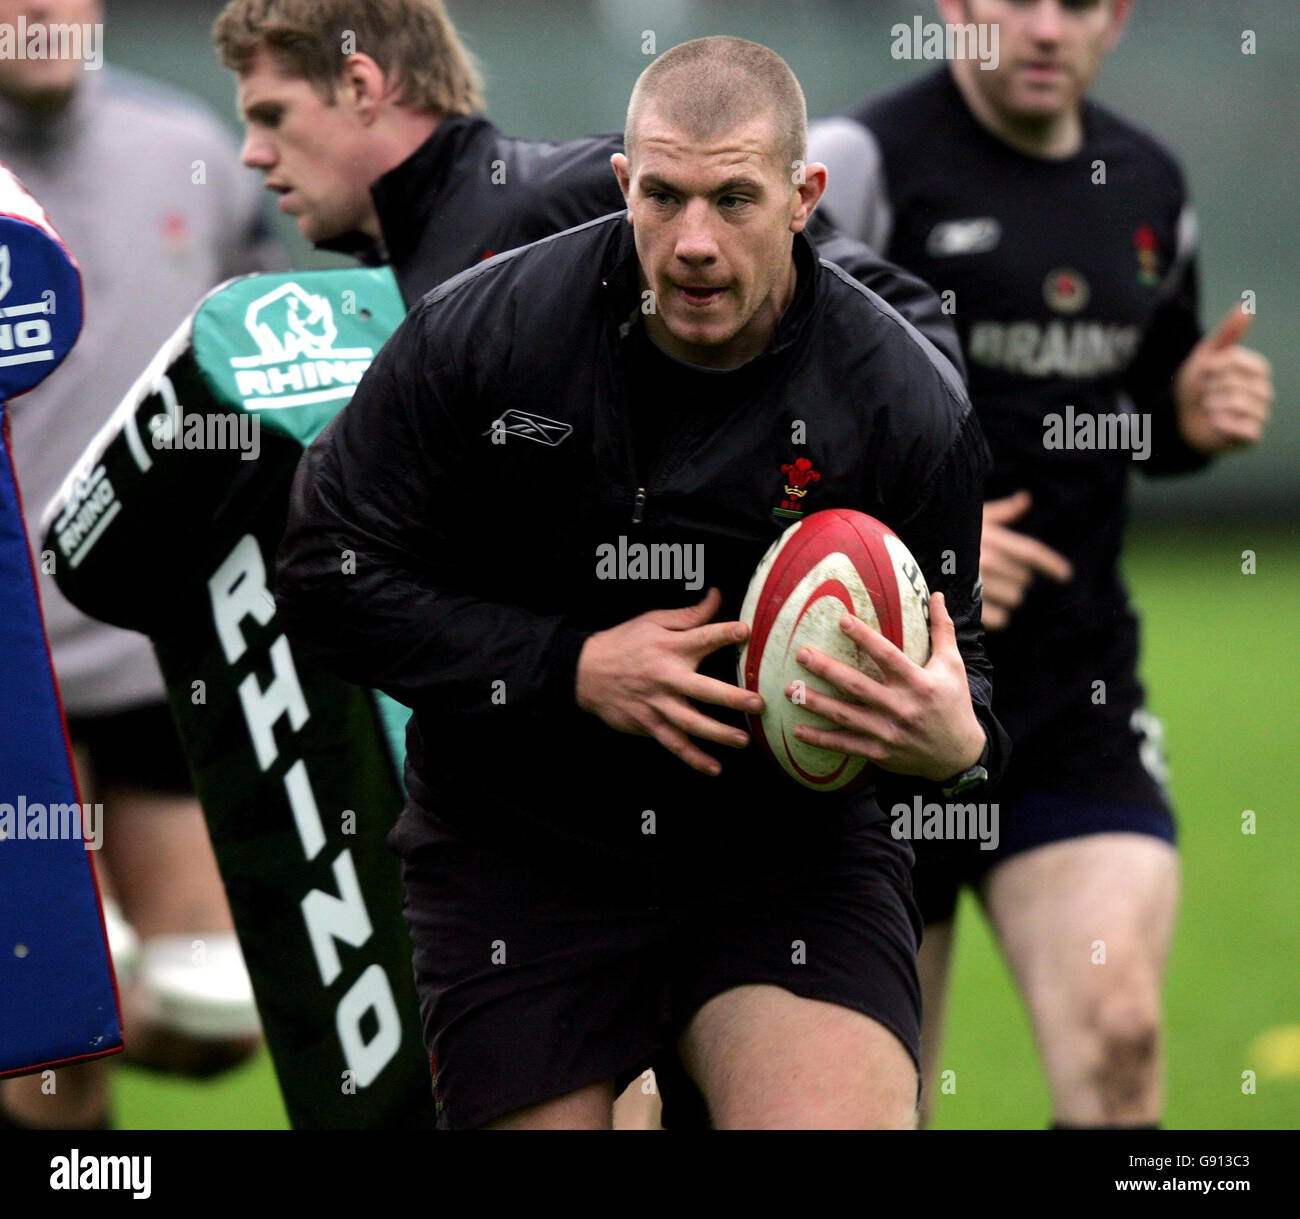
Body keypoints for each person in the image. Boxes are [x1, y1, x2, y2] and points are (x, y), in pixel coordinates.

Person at [274, 34, 1009, 1130]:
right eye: (662, 196)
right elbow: (323, 572)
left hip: (783, 862)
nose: (695, 242)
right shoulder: (487, 336)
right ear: (623, 183)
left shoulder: (901, 403)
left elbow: (968, 670)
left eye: (734, 199)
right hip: (520, 853)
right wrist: (569, 666)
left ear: (805, 196)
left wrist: (960, 748)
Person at [809, 0, 1273, 1127]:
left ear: (1114, 17)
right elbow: (768, 416)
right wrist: (933, 551)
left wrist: (1189, 420)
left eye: (1076, 2)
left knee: (1121, 1039)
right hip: (881, 703)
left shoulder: (1148, 181)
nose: (1046, 28)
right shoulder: (856, 164)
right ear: (954, 11)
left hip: (1072, 699)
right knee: (882, 1101)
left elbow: (1145, 410)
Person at [0, 0, 285, 1129]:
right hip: (16, 684)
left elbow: (261, 365)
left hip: (157, 658)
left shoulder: (193, 151)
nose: (35, 12)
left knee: (218, 1021)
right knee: (59, 1062)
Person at [211, 0, 965, 377]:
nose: (251, 152)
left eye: (272, 115)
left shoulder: (556, 196)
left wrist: (913, 513)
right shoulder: (395, 275)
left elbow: (906, 320)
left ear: (359, 84)